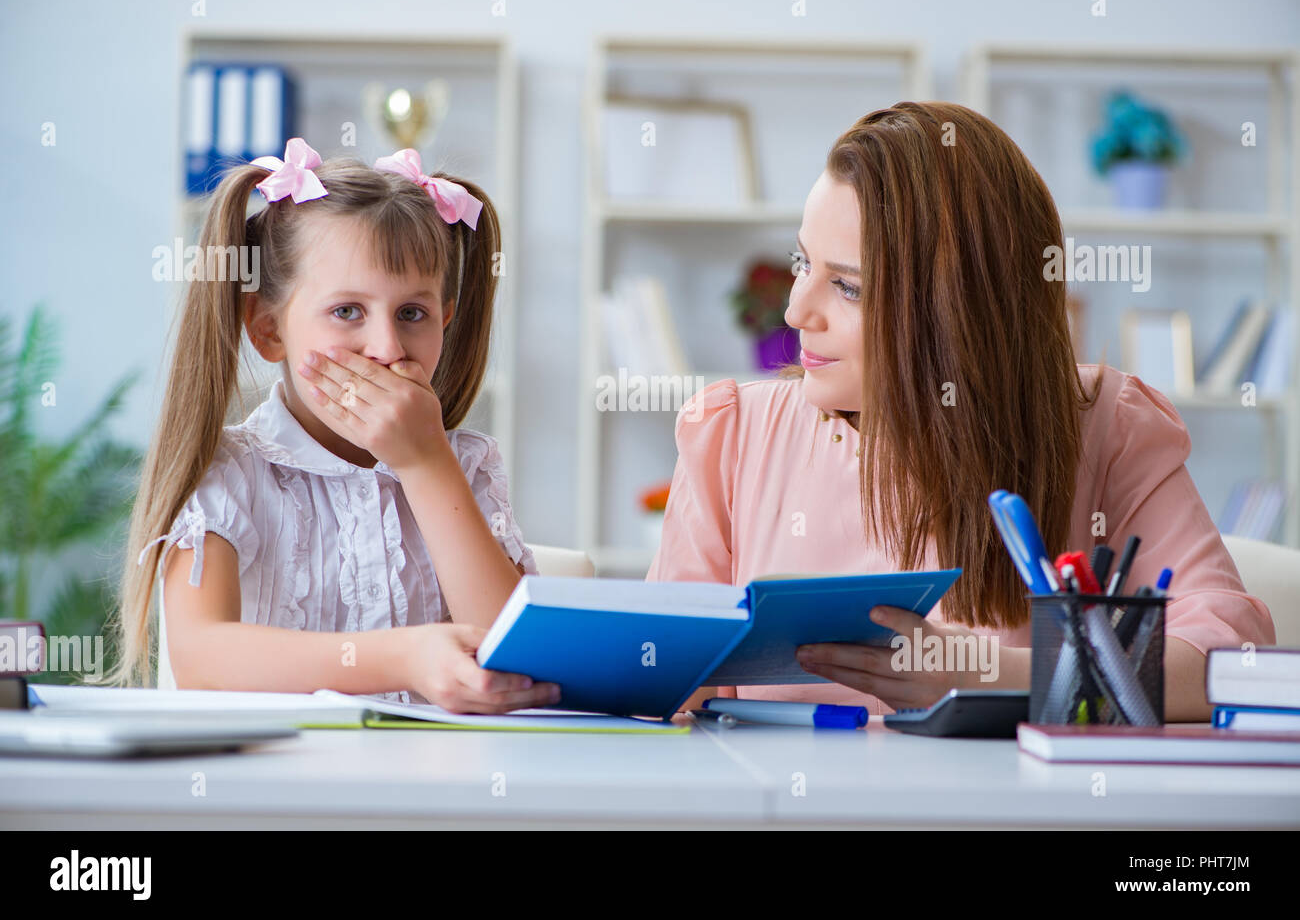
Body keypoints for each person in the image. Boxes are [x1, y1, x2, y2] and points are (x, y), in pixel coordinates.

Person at [648, 102, 1275, 723]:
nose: (794, 313)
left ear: (960, 312)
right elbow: (658, 687)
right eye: (802, 263)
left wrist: (986, 676)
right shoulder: (731, 435)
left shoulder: (1107, 424)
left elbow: (1233, 660)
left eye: (849, 287)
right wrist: (560, 683)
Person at [108, 137, 560, 712]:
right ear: (269, 330)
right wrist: (402, 657)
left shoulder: (464, 466)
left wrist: (425, 465)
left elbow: (525, 662)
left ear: (446, 321)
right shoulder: (229, 472)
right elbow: (201, 656)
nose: (386, 346)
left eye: (412, 313)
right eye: (348, 311)